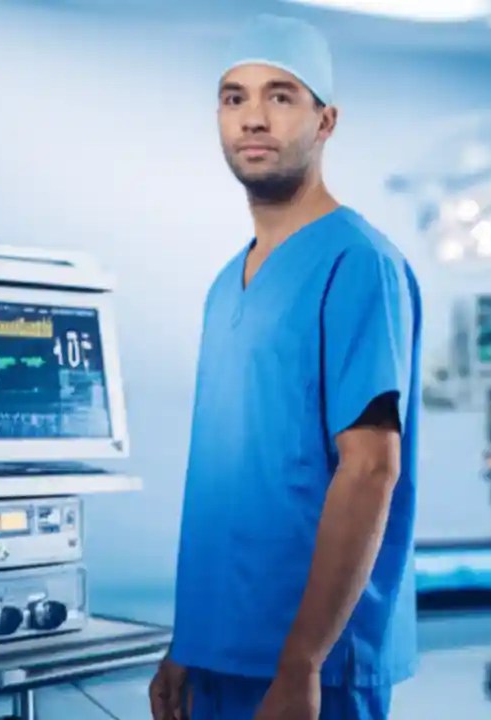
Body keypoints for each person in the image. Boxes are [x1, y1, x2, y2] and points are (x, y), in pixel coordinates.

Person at [149, 14, 422, 720]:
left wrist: (302, 662)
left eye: (280, 95)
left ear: (325, 120)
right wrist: (189, 640)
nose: (253, 118)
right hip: (219, 653)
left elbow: (369, 468)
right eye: (233, 98)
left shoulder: (358, 263)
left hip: (310, 671)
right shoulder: (223, 287)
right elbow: (232, 479)